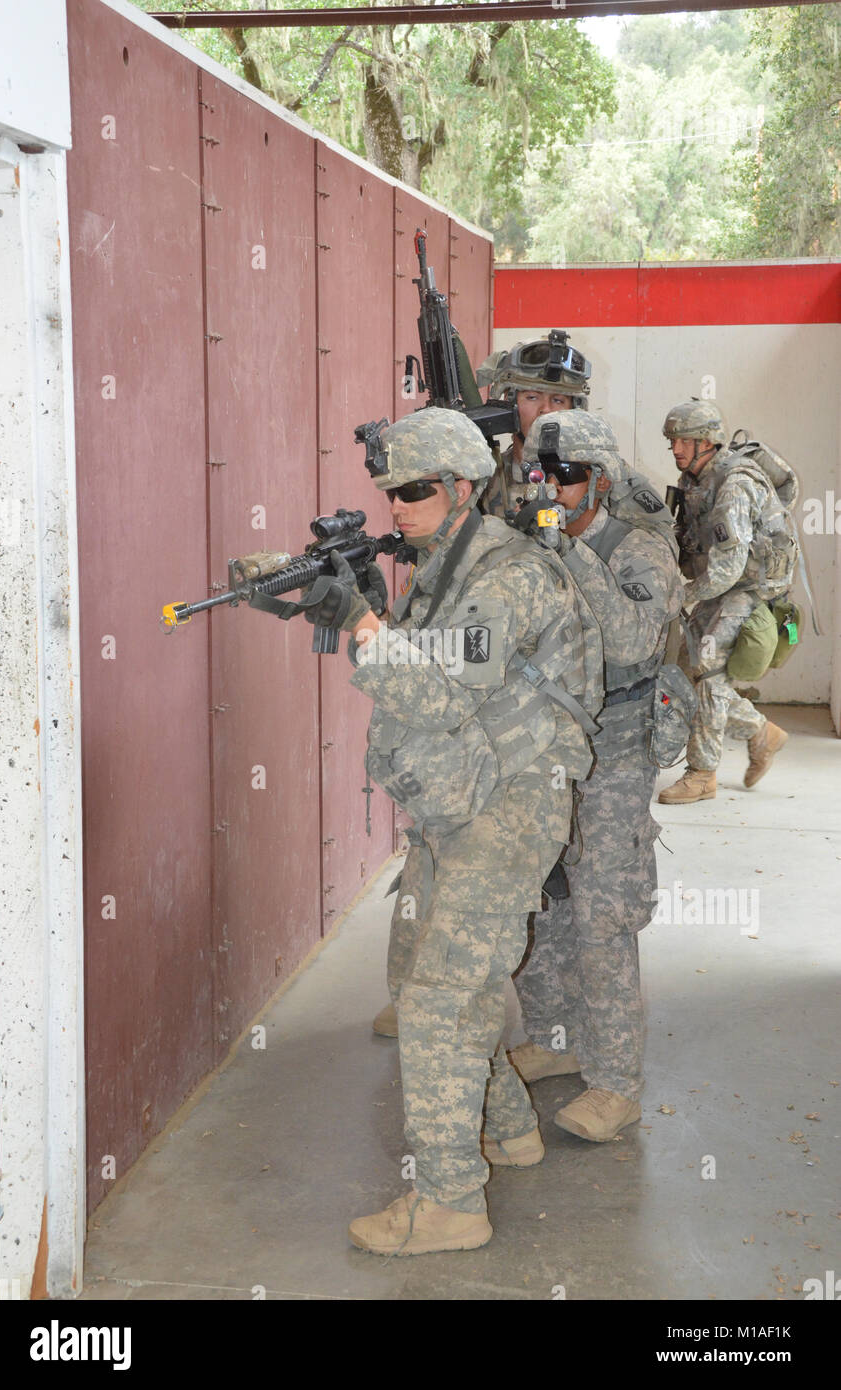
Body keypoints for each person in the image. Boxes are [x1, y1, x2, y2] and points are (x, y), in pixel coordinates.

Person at [296, 407, 599, 1254]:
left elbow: (436, 691)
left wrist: (358, 624)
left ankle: (449, 1202)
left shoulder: (507, 577)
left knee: (437, 1002)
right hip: (461, 800)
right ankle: (507, 1129)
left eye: (418, 489)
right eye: (392, 489)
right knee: (425, 970)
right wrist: (324, 608)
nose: (399, 505)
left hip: (511, 807)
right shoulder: (443, 563)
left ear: (463, 489)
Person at [500, 411, 683, 1140]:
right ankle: (553, 1041)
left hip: (613, 748)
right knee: (543, 900)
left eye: (566, 476)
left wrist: (566, 552)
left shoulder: (637, 548)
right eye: (540, 475)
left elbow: (633, 638)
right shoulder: (529, 540)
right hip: (542, 742)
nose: (550, 488)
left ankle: (614, 1082)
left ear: (600, 481)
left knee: (602, 913)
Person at [657, 399, 789, 805]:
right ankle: (759, 731)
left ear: (708, 442)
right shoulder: (695, 479)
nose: (676, 449)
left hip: (750, 587)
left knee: (706, 666)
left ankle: (702, 775)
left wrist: (681, 596)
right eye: (673, 441)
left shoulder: (735, 484)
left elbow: (729, 568)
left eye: (685, 440)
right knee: (687, 671)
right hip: (721, 585)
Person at [477, 329, 592, 515]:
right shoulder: (483, 478)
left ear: (574, 410)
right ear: (510, 403)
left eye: (558, 400)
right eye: (532, 397)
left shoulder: (595, 477)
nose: (545, 409)